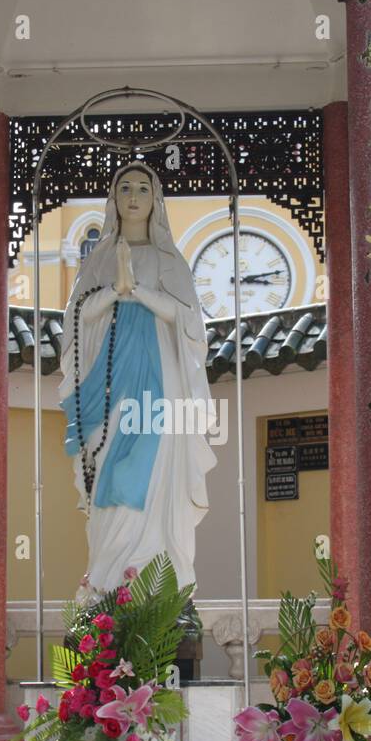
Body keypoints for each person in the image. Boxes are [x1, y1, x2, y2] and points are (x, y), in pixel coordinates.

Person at [58, 161, 217, 592]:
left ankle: (152, 580)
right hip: (107, 387)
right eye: (124, 187)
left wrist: (139, 292)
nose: (133, 196)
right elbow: (76, 318)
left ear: (155, 200)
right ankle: (107, 583)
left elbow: (188, 323)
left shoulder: (170, 261)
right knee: (106, 469)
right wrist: (114, 289)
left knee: (150, 468)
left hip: (159, 388)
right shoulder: (100, 259)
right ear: (113, 199)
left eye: (142, 189)